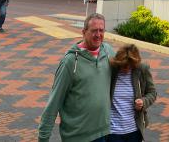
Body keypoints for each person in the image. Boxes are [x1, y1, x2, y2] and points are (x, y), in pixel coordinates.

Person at [38, 13, 114, 142]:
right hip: (78, 137)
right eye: (94, 30)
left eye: (101, 30)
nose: (98, 34)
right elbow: (54, 101)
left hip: (103, 132)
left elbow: (129, 72)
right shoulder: (71, 61)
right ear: (84, 32)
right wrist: (43, 137)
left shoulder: (108, 52)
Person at [108, 44, 157, 142]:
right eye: (122, 66)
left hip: (134, 131)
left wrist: (143, 102)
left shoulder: (142, 70)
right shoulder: (112, 70)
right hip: (113, 132)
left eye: (128, 66)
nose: (125, 69)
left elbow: (152, 93)